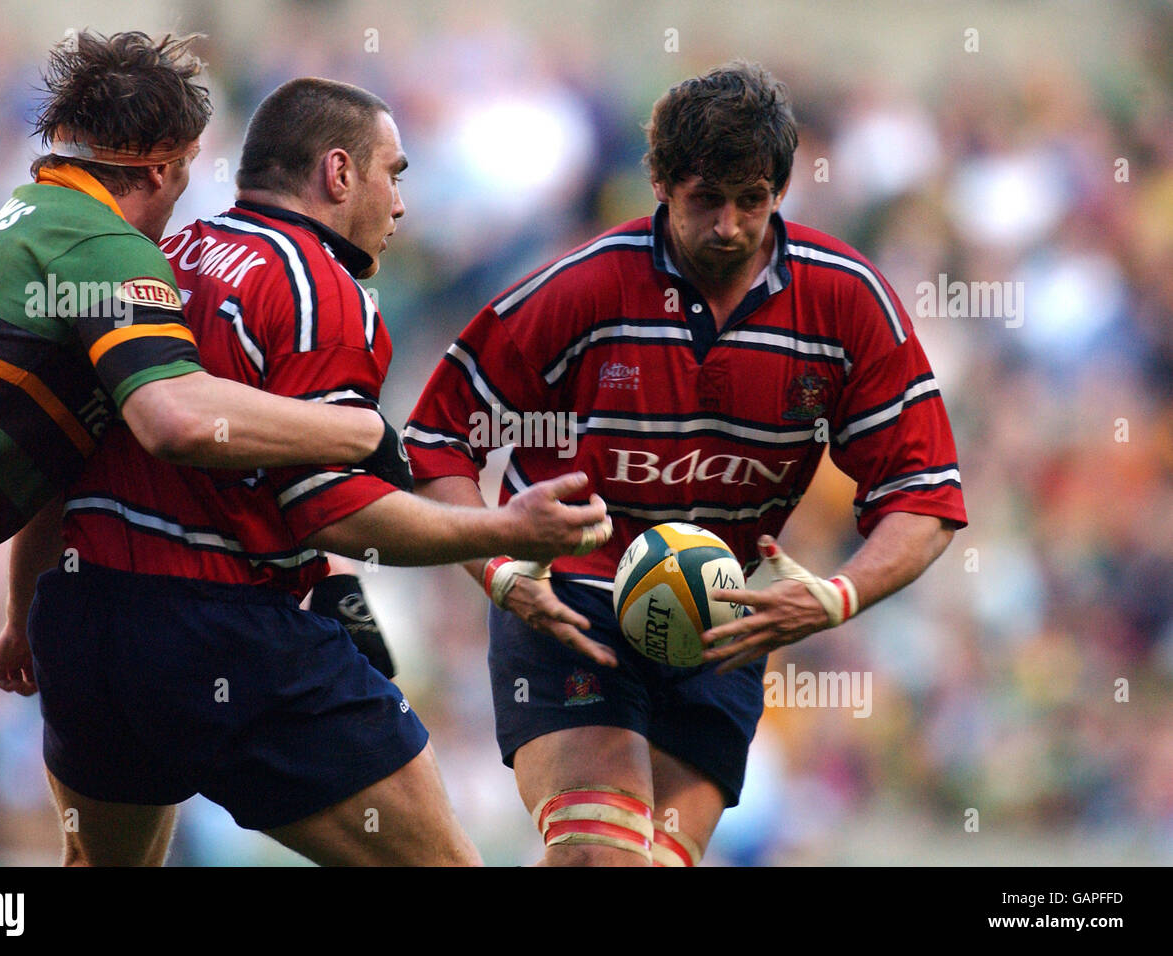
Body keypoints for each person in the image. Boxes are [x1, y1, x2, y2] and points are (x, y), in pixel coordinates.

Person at [0, 78, 611, 866]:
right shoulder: (321, 290)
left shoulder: (156, 257)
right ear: (339, 173)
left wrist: (24, 609)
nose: (399, 205)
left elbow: (61, 458)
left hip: (81, 623)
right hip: (219, 628)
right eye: (394, 173)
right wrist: (505, 529)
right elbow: (334, 513)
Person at [406, 61, 968, 866]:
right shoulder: (582, 287)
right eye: (707, 199)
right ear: (663, 186)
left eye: (753, 200)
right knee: (598, 853)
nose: (731, 226)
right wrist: (501, 571)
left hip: (718, 624)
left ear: (781, 190)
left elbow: (924, 494)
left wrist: (839, 597)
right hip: (572, 606)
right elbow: (436, 439)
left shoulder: (847, 302)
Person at [0, 31, 412, 867]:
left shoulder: (37, 220)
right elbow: (174, 420)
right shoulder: (103, 248)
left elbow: (65, 460)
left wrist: (25, 612)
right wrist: (366, 432)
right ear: (164, 166)